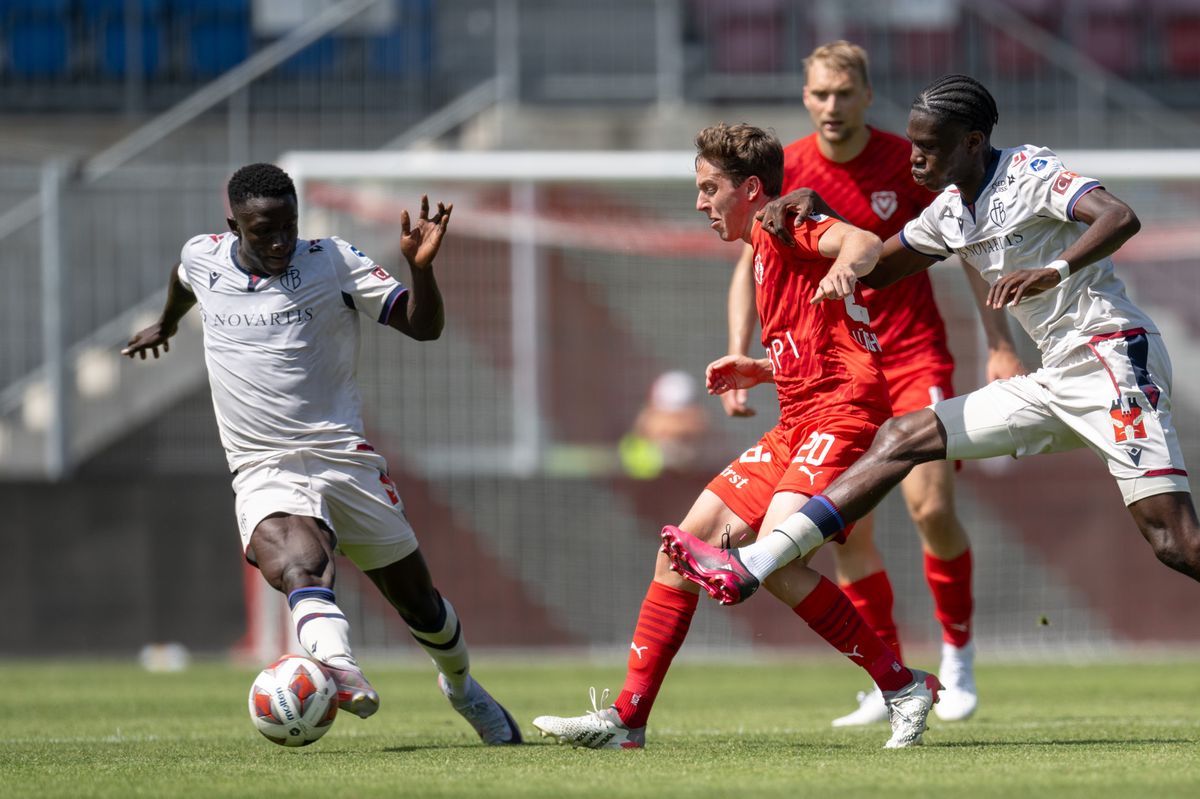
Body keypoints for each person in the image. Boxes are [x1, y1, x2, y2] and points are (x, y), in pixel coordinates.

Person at [662, 76, 1200, 631]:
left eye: (930, 147)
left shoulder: (1030, 173)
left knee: (1174, 542)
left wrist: (1052, 270)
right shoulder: (948, 213)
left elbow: (1120, 217)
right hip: (1055, 377)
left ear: (971, 142)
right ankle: (760, 560)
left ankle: (760, 559)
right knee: (901, 437)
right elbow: (878, 269)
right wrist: (820, 213)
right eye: (913, 145)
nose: (915, 159)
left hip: (1111, 361)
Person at [533, 124, 941, 751]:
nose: (700, 203)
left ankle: (900, 687)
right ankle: (627, 720)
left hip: (843, 413)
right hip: (798, 417)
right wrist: (760, 367)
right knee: (684, 545)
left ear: (750, 189)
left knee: (774, 556)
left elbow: (860, 240)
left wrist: (846, 270)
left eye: (709, 189)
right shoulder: (761, 250)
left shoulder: (786, 227)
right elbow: (817, 344)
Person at [121, 163, 522, 745]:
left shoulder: (331, 260)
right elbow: (185, 278)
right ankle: (336, 665)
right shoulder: (204, 256)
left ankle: (461, 687)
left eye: (289, 225)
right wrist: (166, 322)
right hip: (262, 463)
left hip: (344, 459)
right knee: (299, 564)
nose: (281, 241)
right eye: (264, 231)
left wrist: (420, 270)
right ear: (232, 225)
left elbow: (423, 326)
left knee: (421, 608)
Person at [719, 41, 1023, 726]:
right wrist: (738, 354)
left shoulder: (909, 159)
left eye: (843, 93)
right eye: (820, 94)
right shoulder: (787, 169)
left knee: (931, 507)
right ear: (806, 97)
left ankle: (958, 656)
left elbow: (964, 242)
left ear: (865, 95)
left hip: (915, 357)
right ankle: (888, 680)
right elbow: (751, 265)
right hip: (839, 371)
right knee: (844, 533)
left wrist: (1000, 344)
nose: (831, 106)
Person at [619, 370, 712, 479]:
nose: (672, 426)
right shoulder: (635, 445)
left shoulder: (709, 452)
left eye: (680, 417)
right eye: (669, 415)